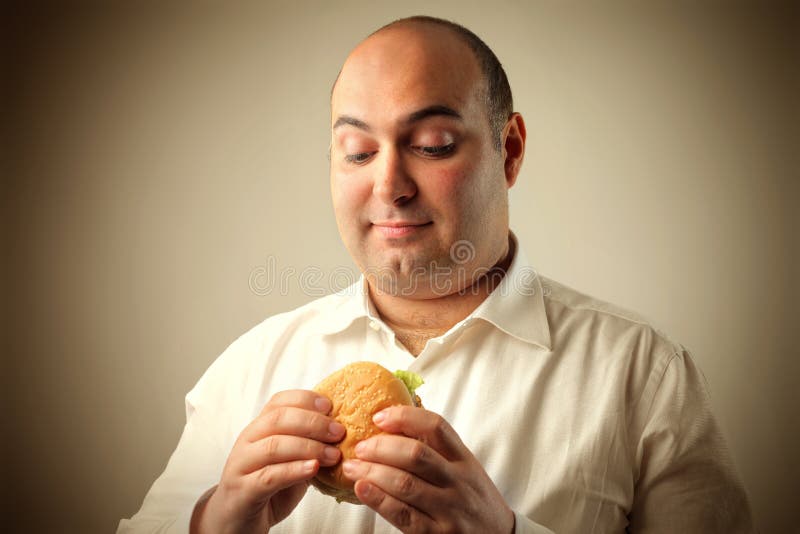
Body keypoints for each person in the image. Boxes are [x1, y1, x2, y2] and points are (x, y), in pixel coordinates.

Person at [118, 16, 755, 534]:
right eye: (358, 152)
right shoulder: (250, 369)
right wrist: (210, 525)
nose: (388, 185)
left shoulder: (643, 375)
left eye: (431, 145)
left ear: (509, 151)